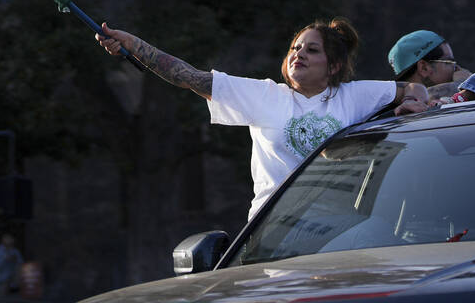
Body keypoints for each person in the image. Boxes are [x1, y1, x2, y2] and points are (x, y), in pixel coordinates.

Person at [97, 17, 428, 220]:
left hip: (339, 234)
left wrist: (415, 101)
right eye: (295, 48)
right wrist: (133, 44)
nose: (299, 54)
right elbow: (188, 77)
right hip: (274, 231)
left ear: (335, 66)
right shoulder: (265, 95)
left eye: (312, 50)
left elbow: (415, 87)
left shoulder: (354, 95)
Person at [388, 29, 471, 96]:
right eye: (449, 62)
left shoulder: (392, 102)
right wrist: (464, 83)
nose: (457, 68)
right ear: (424, 68)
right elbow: (424, 97)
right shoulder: (414, 104)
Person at [0, 233, 23, 298]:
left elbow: (21, 264)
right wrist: (5, 259)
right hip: (0, 281)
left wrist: (15, 260)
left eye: (11, 239)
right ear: (3, 240)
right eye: (8, 238)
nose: (11, 240)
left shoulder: (15, 251)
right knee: (0, 299)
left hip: (12, 282)